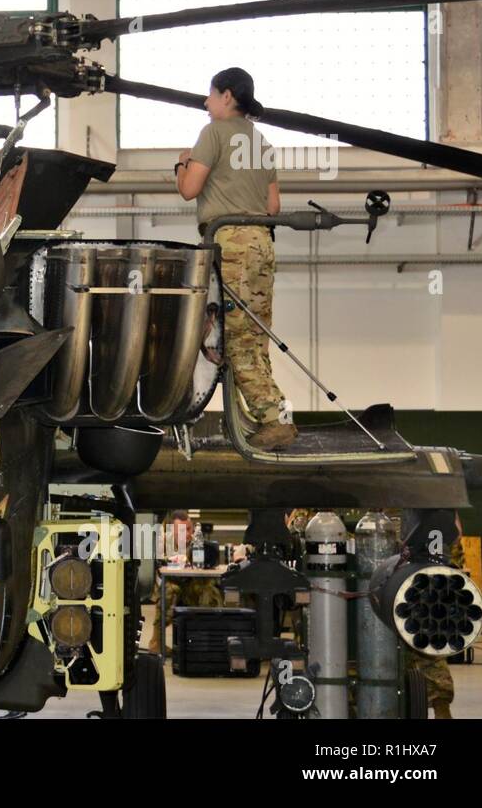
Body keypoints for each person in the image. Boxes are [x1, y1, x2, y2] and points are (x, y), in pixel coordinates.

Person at [175, 67, 295, 451]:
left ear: (227, 96)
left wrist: (182, 163)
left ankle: (274, 417)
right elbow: (273, 205)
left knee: (236, 336)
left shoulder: (212, 134)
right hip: (262, 241)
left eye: (209, 96)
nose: (206, 105)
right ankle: (264, 415)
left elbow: (189, 189)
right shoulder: (261, 141)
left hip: (231, 243)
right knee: (255, 335)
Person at [147, 510, 222, 655]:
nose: (188, 533)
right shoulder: (164, 544)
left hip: (195, 587)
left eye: (189, 529)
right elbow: (161, 572)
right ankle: (156, 642)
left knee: (210, 592)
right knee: (168, 591)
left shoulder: (199, 542)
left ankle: (209, 643)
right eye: (182, 530)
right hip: (175, 586)